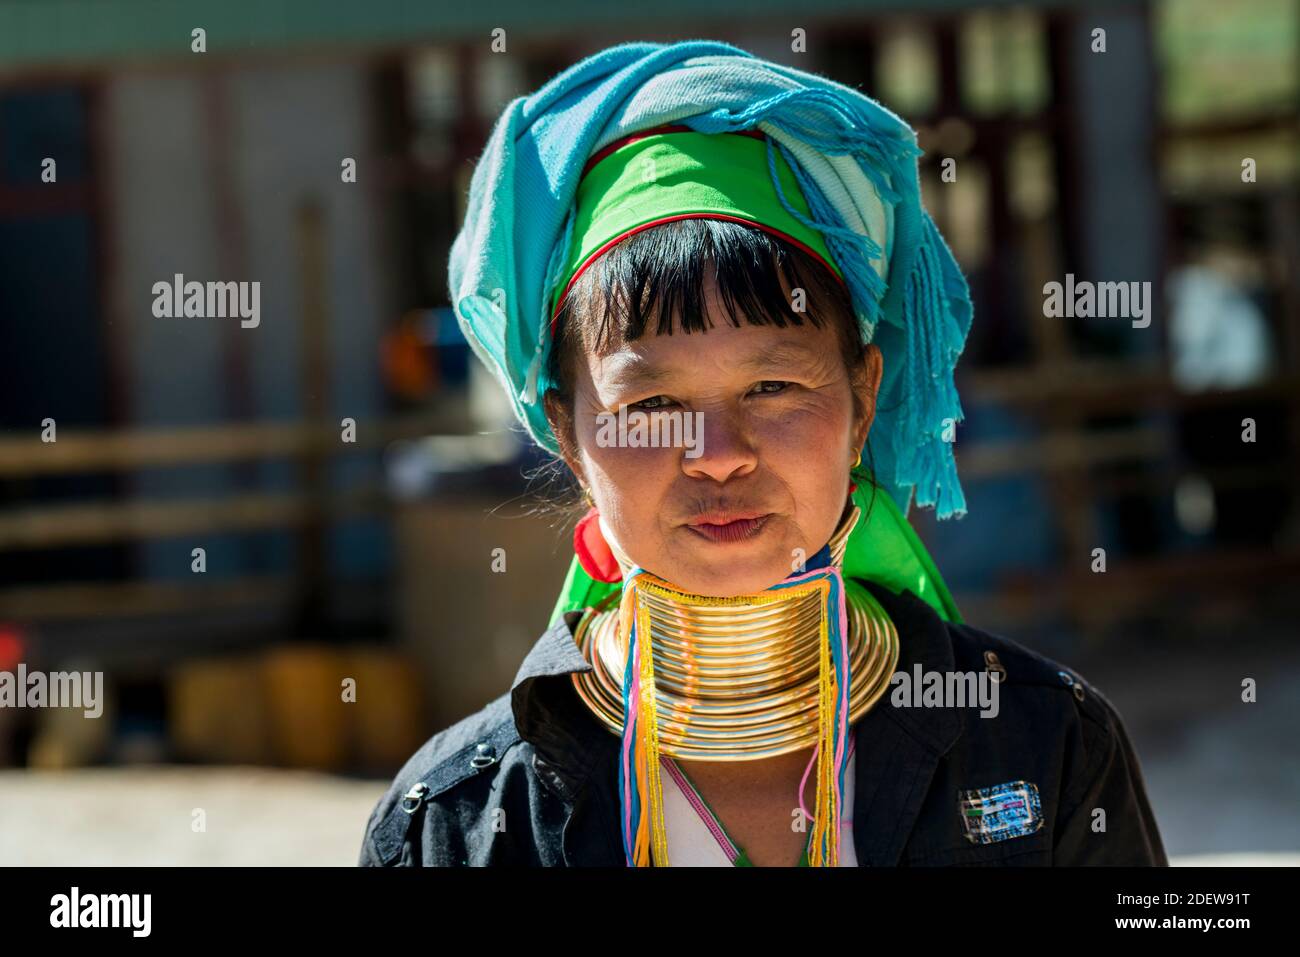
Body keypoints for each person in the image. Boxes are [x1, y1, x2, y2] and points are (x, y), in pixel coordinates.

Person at [359, 40, 1167, 867]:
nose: (717, 456)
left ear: (862, 401)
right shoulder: (456, 825)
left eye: (774, 387)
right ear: (567, 432)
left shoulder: (1047, 749)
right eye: (653, 404)